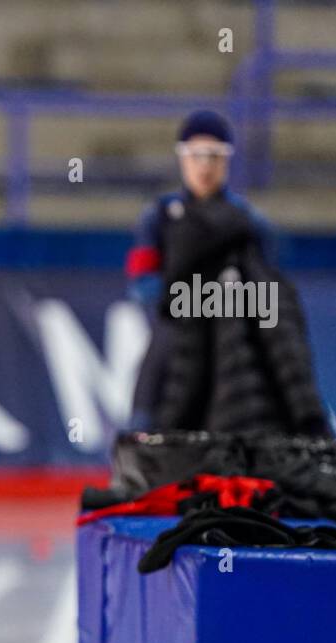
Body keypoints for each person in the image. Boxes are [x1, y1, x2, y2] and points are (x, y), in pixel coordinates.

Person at [126, 110, 277, 431]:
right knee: (159, 360)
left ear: (226, 161)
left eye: (213, 156)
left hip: (233, 331)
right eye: (196, 156)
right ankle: (144, 426)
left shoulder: (249, 221)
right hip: (178, 330)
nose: (204, 166)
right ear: (183, 159)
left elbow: (267, 290)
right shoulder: (160, 217)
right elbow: (142, 284)